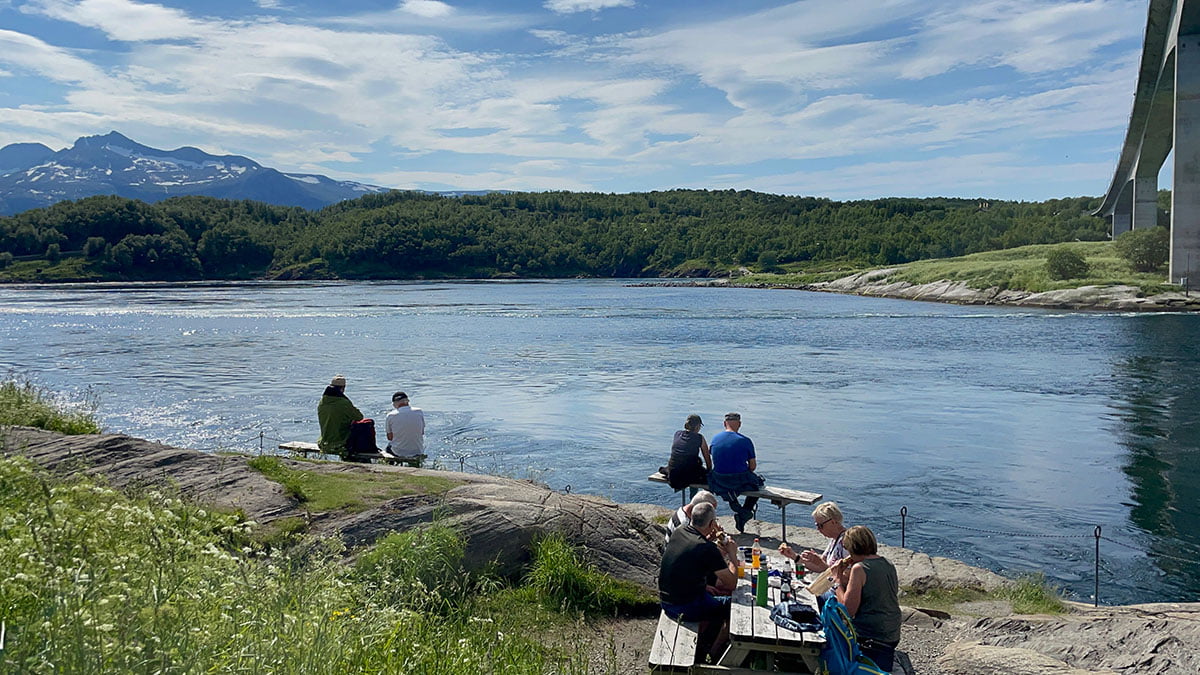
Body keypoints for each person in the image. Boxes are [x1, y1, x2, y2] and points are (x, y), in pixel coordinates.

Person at [659, 501, 740, 664]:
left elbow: (690, 558)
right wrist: (732, 554)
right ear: (711, 523)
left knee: (716, 594)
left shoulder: (680, 531)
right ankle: (714, 652)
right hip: (683, 606)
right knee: (735, 609)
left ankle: (708, 639)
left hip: (667, 599)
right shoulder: (706, 548)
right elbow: (732, 583)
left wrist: (709, 538)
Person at [830, 526, 901, 673]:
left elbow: (848, 610)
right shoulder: (888, 564)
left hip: (871, 635)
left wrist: (836, 580)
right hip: (892, 631)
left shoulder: (859, 568)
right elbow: (871, 587)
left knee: (829, 611)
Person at [706, 412, 764, 533]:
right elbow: (752, 467)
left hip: (719, 479)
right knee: (757, 484)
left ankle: (737, 506)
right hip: (737, 479)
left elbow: (716, 458)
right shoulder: (746, 441)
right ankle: (744, 512)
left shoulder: (715, 438)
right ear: (740, 424)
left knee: (728, 483)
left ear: (724, 424)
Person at [778, 501, 849, 573]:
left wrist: (819, 563)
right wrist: (794, 556)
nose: (818, 529)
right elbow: (820, 568)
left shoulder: (846, 544)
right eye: (816, 525)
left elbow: (845, 578)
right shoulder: (835, 539)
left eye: (820, 525)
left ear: (833, 522)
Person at [665, 414, 712, 495]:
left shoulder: (677, 434)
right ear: (697, 426)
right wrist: (709, 471)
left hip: (674, 476)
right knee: (702, 473)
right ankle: (697, 500)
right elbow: (707, 459)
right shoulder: (699, 438)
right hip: (688, 475)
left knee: (692, 465)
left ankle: (693, 499)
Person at [317, 374, 363, 457]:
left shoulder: (322, 402)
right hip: (341, 442)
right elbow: (359, 417)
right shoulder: (344, 403)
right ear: (342, 388)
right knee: (365, 425)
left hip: (324, 442)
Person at [384, 391, 425, 457]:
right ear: (407, 401)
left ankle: (391, 466)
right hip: (418, 451)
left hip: (399, 452)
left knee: (388, 447)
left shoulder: (390, 415)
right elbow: (422, 432)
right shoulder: (419, 411)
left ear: (394, 404)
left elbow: (390, 438)